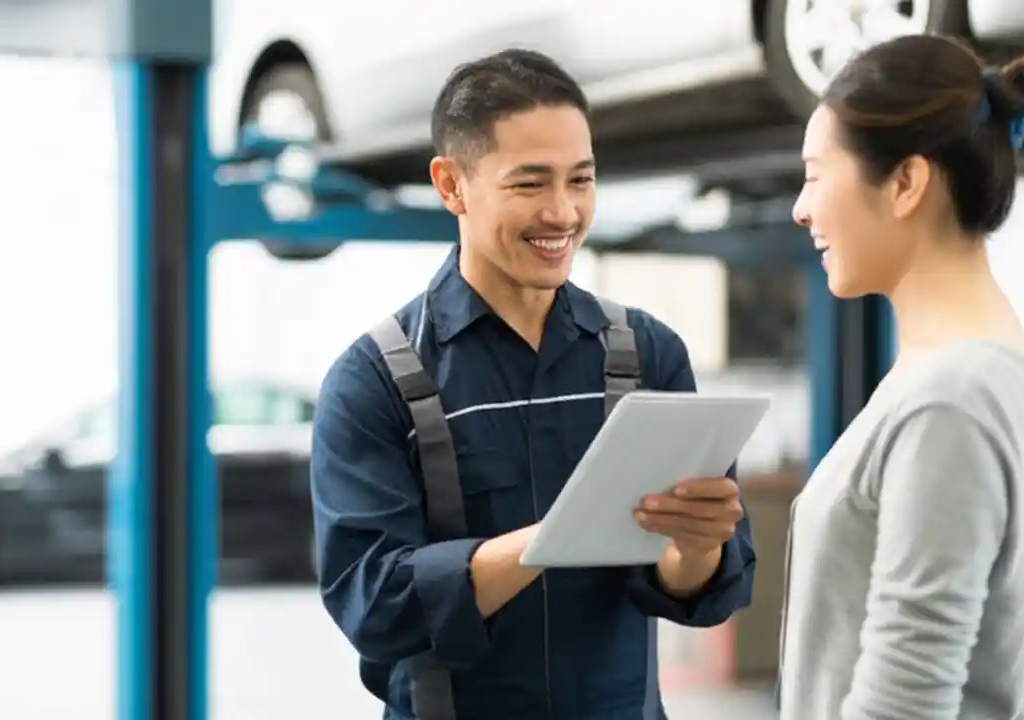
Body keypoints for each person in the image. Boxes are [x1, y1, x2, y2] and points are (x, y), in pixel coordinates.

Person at [309, 48, 756, 719]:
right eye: (529, 184)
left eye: (581, 180)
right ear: (451, 185)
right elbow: (374, 606)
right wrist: (559, 535)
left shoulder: (646, 356)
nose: (563, 213)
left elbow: (700, 590)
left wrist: (694, 546)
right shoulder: (373, 381)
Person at [780, 34, 1024, 719]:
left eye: (817, 174)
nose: (801, 207)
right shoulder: (966, 367)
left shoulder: (953, 398)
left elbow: (904, 703)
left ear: (907, 183)